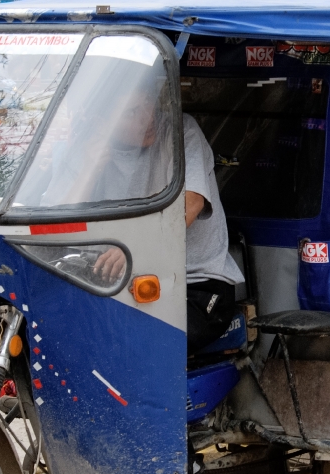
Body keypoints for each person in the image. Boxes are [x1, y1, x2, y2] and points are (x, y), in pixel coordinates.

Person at [94, 114, 244, 355]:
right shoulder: (93, 149)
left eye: (149, 101)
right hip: (127, 288)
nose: (147, 115)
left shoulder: (178, 130)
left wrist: (135, 248)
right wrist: (87, 169)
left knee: (134, 348)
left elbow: (192, 203)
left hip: (194, 288)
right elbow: (55, 210)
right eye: (134, 108)